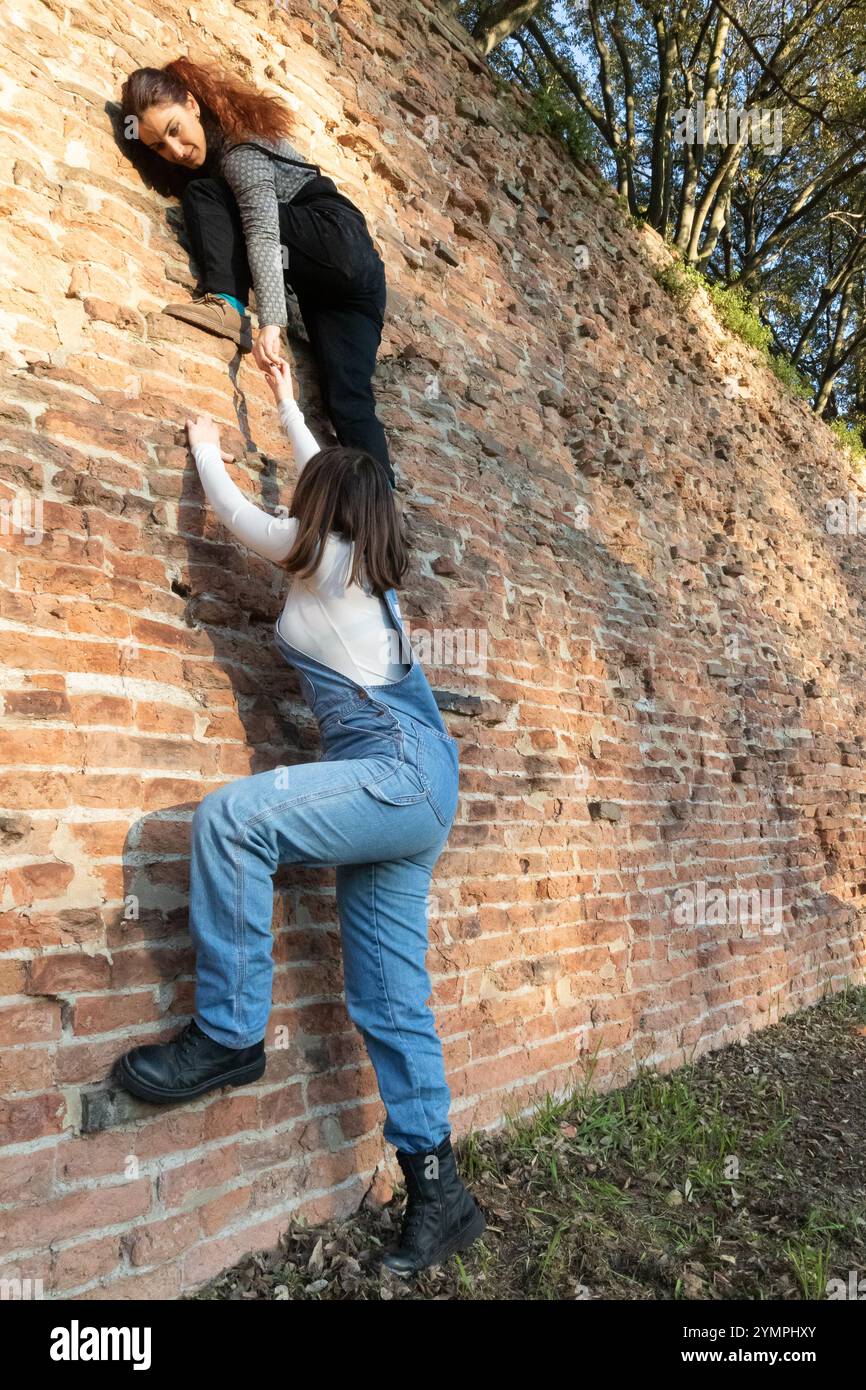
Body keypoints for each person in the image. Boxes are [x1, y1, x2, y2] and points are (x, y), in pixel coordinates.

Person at [113, 361, 484, 1275]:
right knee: (391, 996)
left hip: (392, 774)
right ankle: (441, 1195)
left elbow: (245, 519)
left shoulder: (321, 556)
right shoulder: (365, 564)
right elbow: (328, 467)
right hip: (420, 788)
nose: (307, 498)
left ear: (327, 514)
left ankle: (231, 1036)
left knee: (233, 822)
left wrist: (205, 447)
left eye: (313, 498)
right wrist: (283, 399)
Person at [119, 58, 394, 486]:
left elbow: (264, 231)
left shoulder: (240, 153)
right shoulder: (217, 154)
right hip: (350, 285)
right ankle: (382, 525)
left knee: (206, 192)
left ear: (192, 104)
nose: (175, 150)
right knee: (350, 403)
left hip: (334, 238)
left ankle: (226, 303)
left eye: (174, 129)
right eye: (158, 146)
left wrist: (270, 322)